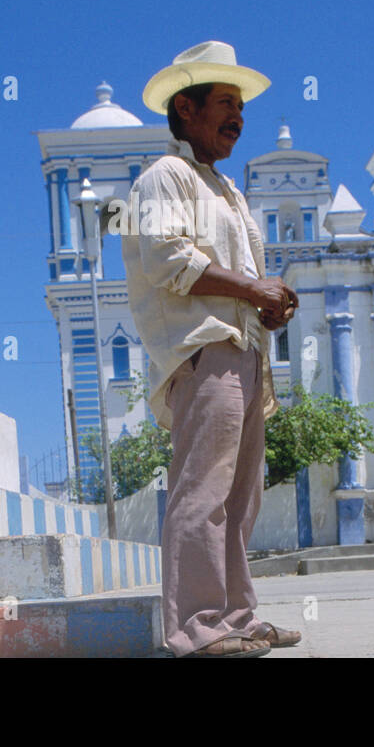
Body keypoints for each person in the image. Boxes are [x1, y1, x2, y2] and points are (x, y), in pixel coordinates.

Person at [122, 40, 300, 658]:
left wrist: (268, 305)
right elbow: (170, 260)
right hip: (206, 353)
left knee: (238, 494)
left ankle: (237, 619)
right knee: (203, 490)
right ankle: (196, 630)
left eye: (241, 107)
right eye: (225, 103)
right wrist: (254, 288)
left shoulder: (227, 189)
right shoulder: (164, 177)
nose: (238, 117)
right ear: (185, 111)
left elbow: (236, 280)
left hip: (245, 353)